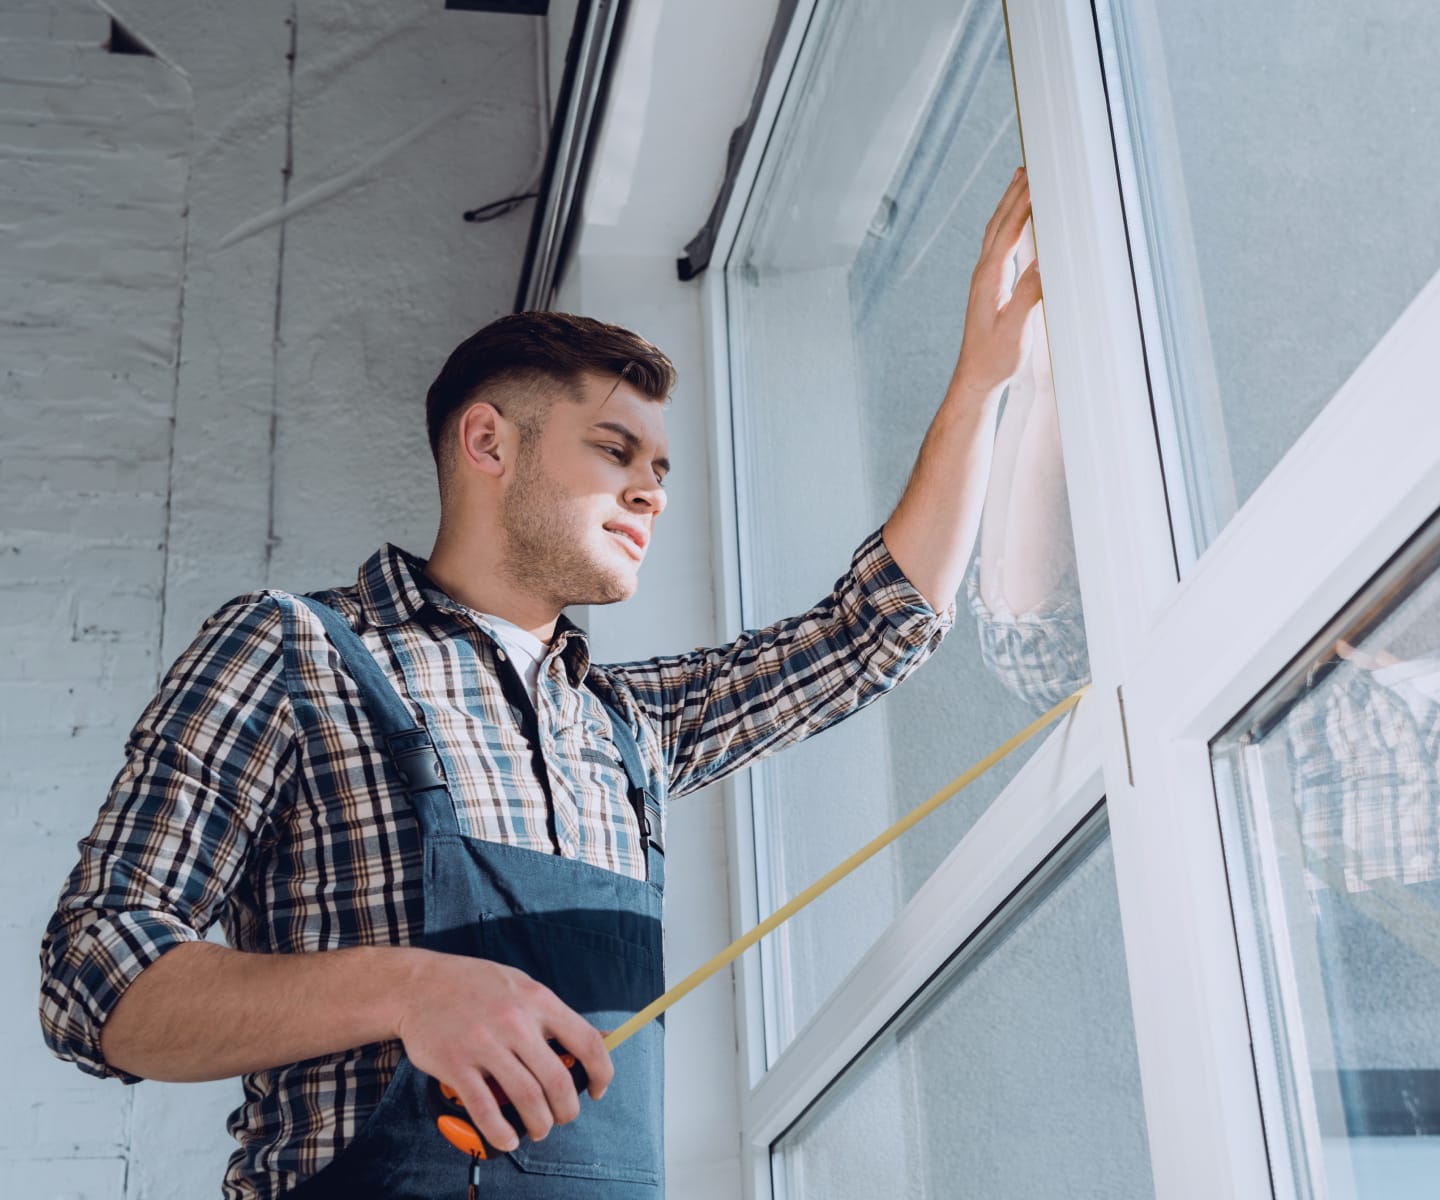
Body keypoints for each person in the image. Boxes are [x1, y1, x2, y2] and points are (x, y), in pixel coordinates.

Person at [39, 171, 1043, 1199]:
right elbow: (94, 976)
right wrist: (409, 989)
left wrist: (982, 380)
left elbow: (869, 634)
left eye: (660, 465)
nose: (651, 490)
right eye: (616, 451)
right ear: (489, 443)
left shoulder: (625, 727)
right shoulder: (295, 652)